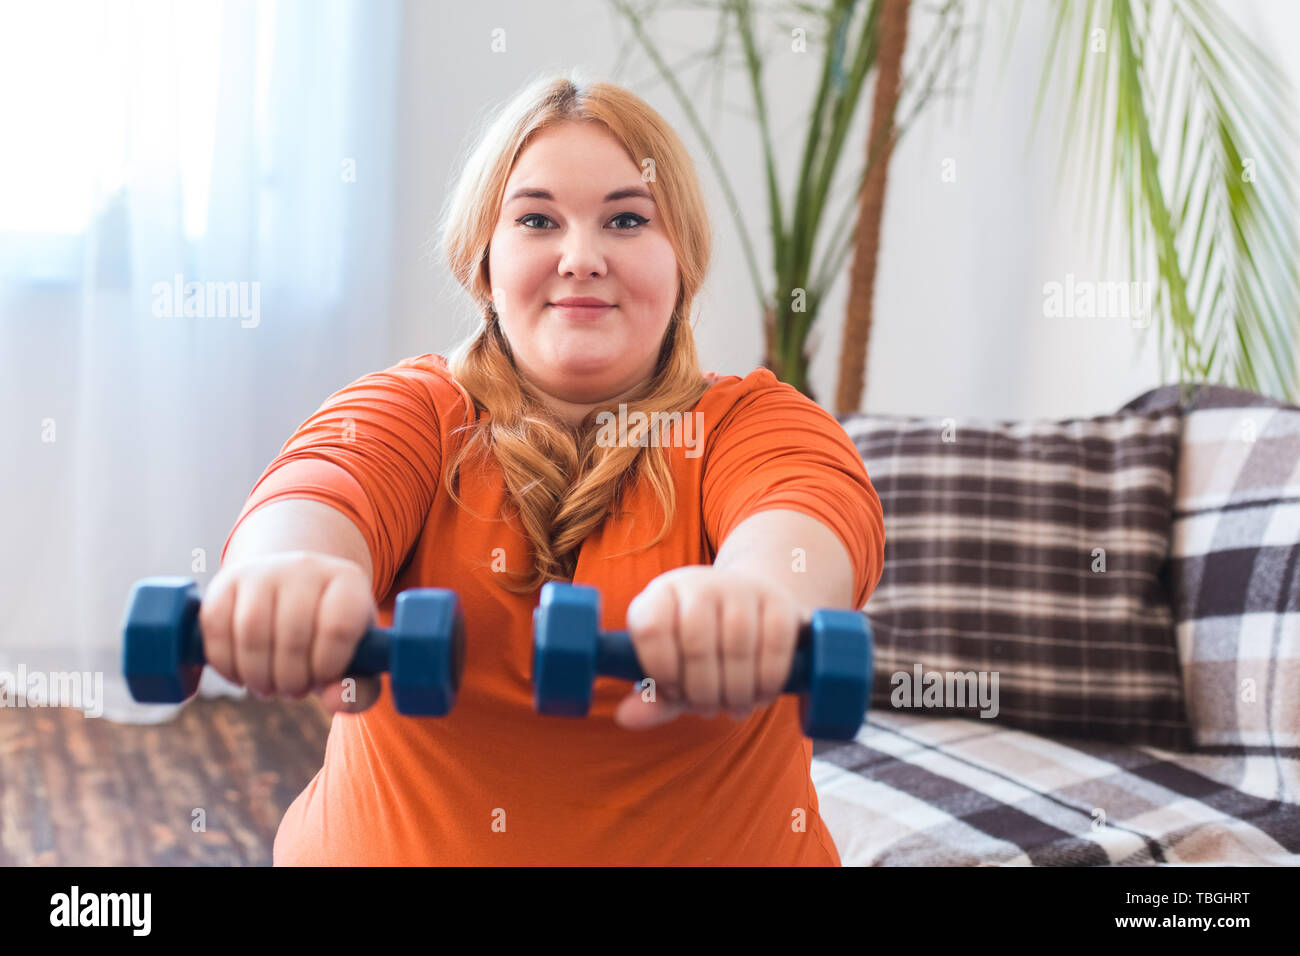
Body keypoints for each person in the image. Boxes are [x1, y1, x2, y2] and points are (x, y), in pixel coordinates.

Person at [206, 68, 885, 865]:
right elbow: (319, 492)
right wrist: (288, 577)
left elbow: (803, 533)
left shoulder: (753, 422)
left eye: (627, 220)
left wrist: (752, 604)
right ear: (483, 264)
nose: (581, 257)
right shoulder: (414, 410)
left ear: (683, 265)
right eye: (537, 219)